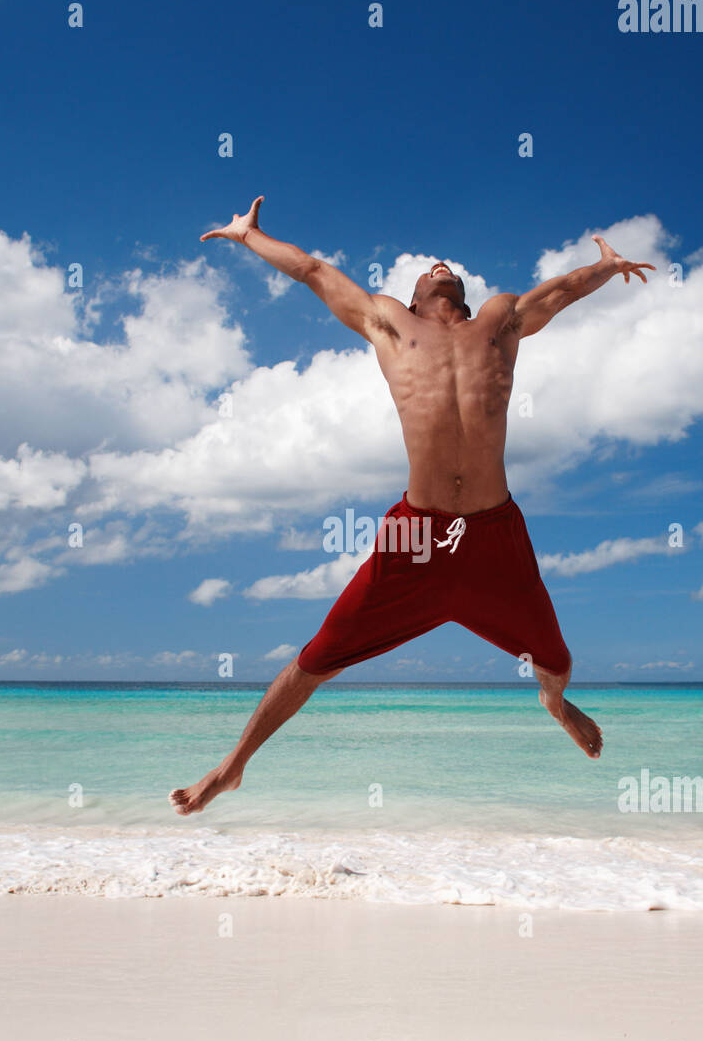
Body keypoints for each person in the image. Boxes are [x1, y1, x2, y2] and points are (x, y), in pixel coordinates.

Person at [170, 196, 654, 815]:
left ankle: (554, 706)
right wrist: (250, 238)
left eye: (447, 266)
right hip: (415, 537)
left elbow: (557, 292)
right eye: (429, 268)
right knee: (318, 657)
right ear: (417, 296)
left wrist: (608, 268)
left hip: (493, 534)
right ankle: (231, 767)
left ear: (463, 294)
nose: (439, 262)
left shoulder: (500, 321)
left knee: (556, 662)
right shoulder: (389, 322)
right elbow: (314, 271)